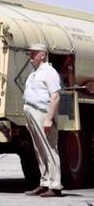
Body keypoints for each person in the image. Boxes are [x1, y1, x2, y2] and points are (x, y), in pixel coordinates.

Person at [22, 43, 63, 197]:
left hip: (42, 113)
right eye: (30, 53)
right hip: (32, 113)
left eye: (34, 53)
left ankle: (55, 185)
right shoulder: (34, 73)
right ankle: (45, 182)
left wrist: (49, 119)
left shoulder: (49, 72)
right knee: (39, 149)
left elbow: (55, 96)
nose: (31, 56)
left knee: (49, 149)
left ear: (43, 55)